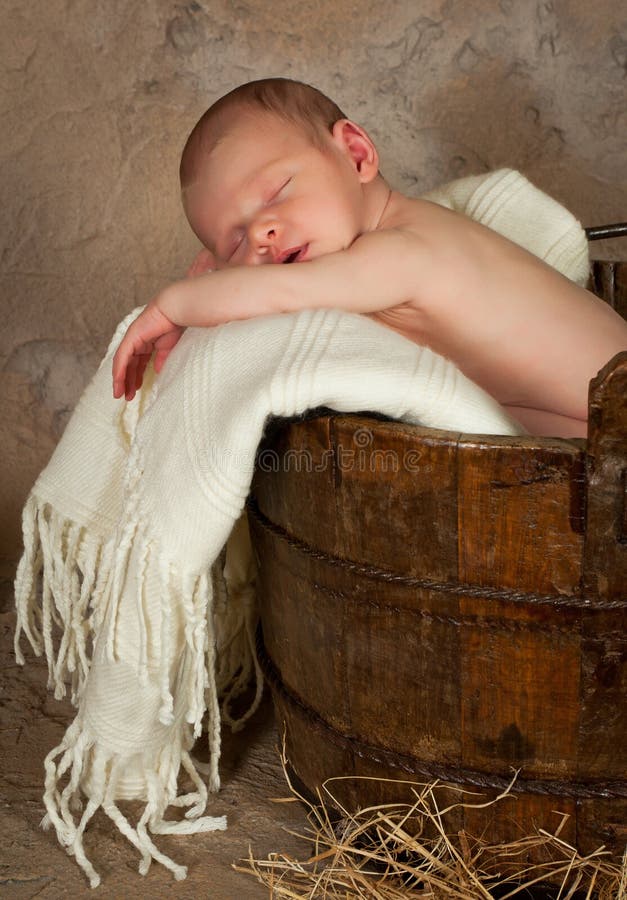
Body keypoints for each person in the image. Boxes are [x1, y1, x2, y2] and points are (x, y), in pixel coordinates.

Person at [111, 78, 627, 438]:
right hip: (579, 429)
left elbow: (289, 291)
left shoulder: (402, 250)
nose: (263, 234)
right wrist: (220, 277)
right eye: (235, 242)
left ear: (356, 154)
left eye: (276, 193)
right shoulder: (364, 256)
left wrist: (178, 304)